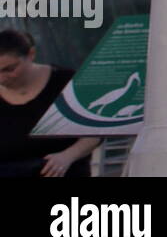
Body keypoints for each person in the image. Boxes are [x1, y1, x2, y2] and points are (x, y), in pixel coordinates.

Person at [0, 29, 100, 177]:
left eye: (9, 69)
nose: (2, 78)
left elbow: (95, 131)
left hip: (63, 171)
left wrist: (67, 156)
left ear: (31, 54)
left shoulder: (66, 81)